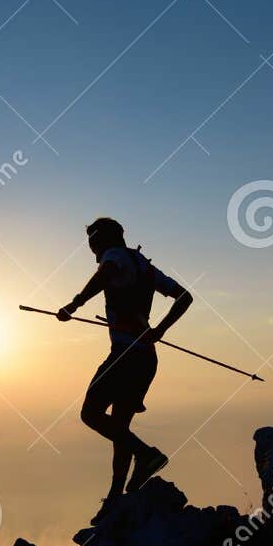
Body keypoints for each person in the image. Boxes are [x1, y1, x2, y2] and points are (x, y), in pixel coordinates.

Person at [57, 217, 192, 523]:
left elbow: (105, 274)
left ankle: (147, 455)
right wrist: (159, 330)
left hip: (125, 356)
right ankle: (116, 498)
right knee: (120, 427)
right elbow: (185, 296)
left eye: (92, 240)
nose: (90, 247)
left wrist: (74, 305)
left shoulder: (113, 257)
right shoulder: (143, 264)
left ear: (99, 240)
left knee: (91, 414)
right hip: (146, 357)